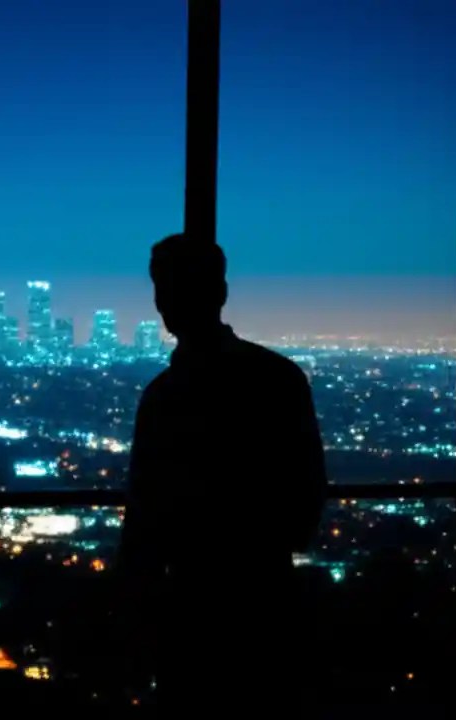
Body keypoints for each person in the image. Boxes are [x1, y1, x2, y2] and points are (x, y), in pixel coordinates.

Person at [119, 233, 327, 713]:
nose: (165, 300)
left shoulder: (165, 397)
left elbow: (145, 519)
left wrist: (134, 613)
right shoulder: (279, 378)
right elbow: (307, 495)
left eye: (167, 288)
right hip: (265, 598)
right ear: (222, 292)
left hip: (190, 607)